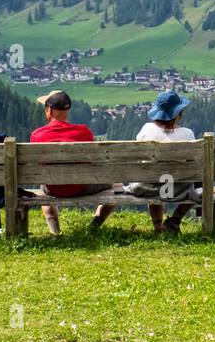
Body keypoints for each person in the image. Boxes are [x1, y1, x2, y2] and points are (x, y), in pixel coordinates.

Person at [29, 90, 114, 235]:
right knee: (116, 184)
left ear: (49, 110)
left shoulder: (37, 135)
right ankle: (93, 227)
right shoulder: (84, 132)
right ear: (67, 110)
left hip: (53, 189)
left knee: (43, 184)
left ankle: (55, 232)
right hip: (81, 186)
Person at [134, 90, 197, 233]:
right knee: (197, 188)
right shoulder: (187, 134)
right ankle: (174, 221)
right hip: (177, 190)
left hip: (147, 188)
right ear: (177, 113)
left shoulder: (146, 129)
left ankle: (158, 226)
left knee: (154, 178)